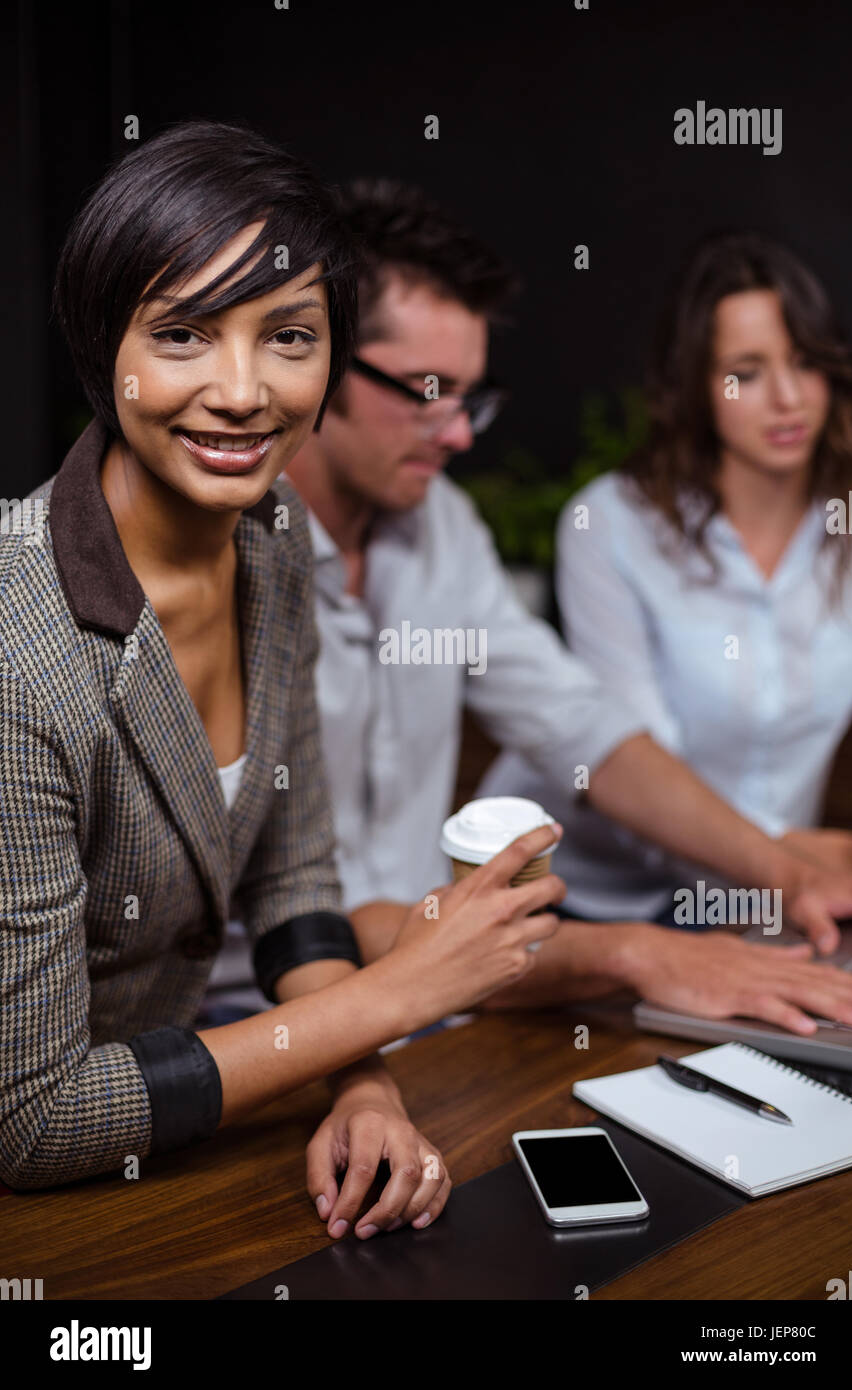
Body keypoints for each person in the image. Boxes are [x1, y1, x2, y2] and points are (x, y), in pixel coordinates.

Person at [0, 120, 569, 1241]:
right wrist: (399, 995)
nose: (243, 390)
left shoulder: (271, 533)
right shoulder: (21, 651)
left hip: (188, 1145)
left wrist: (360, 1085)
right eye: (181, 334)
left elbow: (293, 878)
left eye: (290, 336)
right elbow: (33, 1117)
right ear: (98, 345)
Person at [208, 185, 852, 1038]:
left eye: (472, 399)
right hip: (251, 1024)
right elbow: (316, 920)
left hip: (448, 1004)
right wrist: (629, 951)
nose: (458, 435)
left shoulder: (442, 527)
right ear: (313, 362)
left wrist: (785, 874)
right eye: (426, 392)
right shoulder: (220, 560)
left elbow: (583, 726)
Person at [485, 230, 852, 1029]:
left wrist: (807, 865)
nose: (789, 399)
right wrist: (802, 854)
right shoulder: (611, 523)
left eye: (805, 363)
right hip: (583, 906)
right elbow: (633, 764)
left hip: (766, 902)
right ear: (694, 386)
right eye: (747, 374)